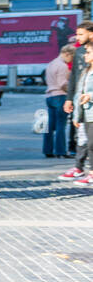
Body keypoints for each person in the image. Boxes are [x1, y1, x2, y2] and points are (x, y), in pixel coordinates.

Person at [60, 20, 93, 180]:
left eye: (81, 34)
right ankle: (79, 167)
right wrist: (69, 99)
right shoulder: (80, 52)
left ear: (91, 34)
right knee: (80, 135)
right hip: (80, 102)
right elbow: (74, 77)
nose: (77, 37)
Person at [43, 45, 75, 158]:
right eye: (72, 57)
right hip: (60, 96)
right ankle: (61, 151)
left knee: (50, 125)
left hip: (49, 96)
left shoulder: (51, 63)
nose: (71, 60)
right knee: (61, 125)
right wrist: (72, 93)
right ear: (67, 54)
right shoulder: (62, 66)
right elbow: (63, 84)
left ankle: (48, 150)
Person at [72, 42, 93, 189]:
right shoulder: (86, 70)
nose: (85, 55)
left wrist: (90, 96)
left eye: (89, 52)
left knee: (92, 145)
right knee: (89, 144)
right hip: (87, 113)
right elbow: (79, 93)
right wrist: (76, 116)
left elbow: (86, 93)